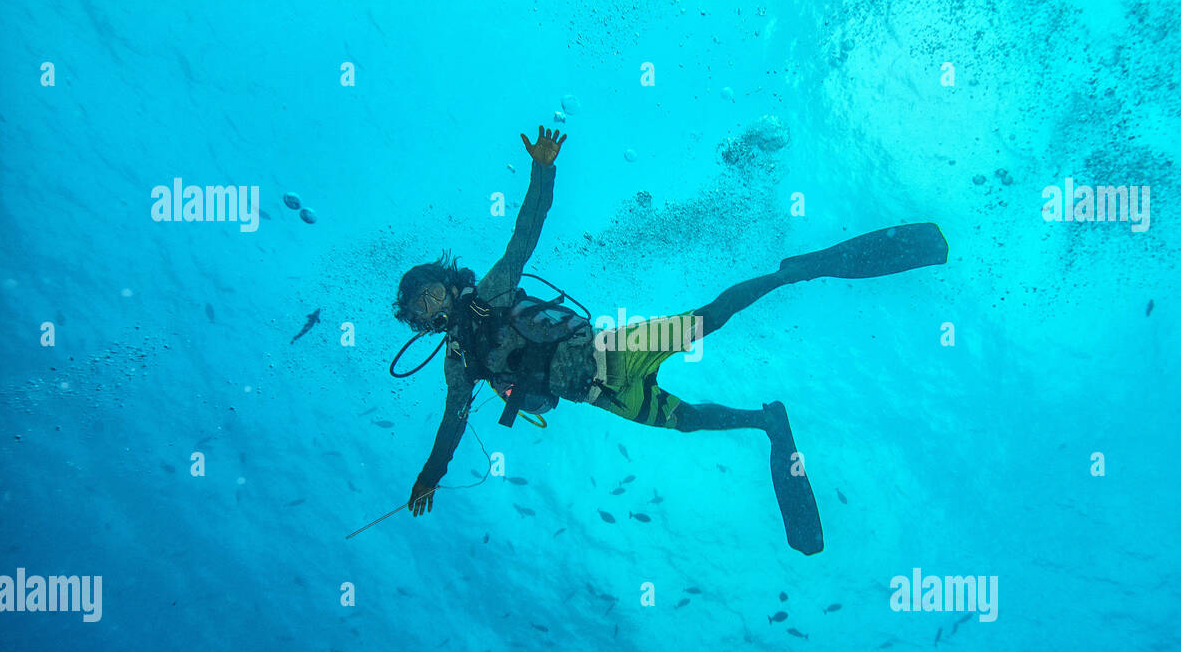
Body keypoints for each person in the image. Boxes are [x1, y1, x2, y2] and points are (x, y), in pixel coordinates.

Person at [392, 126, 949, 554]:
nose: (433, 307)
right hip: (603, 396)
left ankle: (792, 272)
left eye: (431, 293)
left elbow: (523, 239)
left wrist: (542, 173)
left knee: (708, 319)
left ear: (447, 280)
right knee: (690, 423)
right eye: (421, 311)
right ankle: (768, 422)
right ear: (422, 326)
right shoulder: (458, 364)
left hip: (610, 351)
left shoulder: (490, 292)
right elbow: (452, 422)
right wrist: (428, 477)